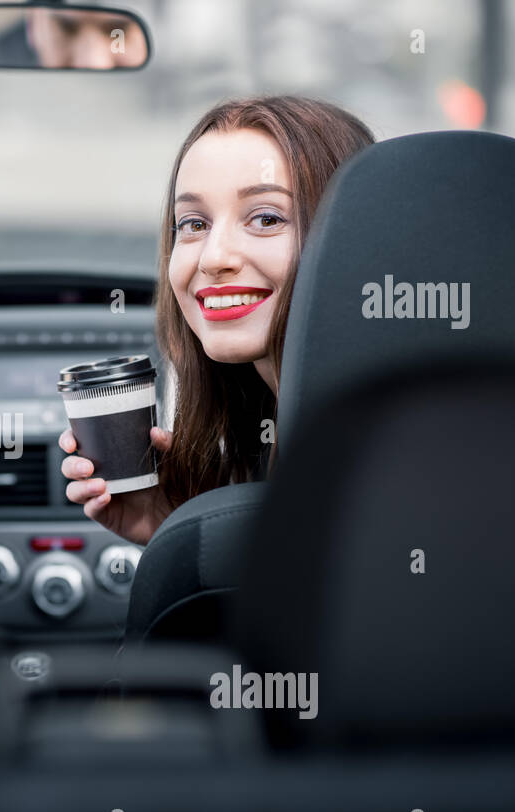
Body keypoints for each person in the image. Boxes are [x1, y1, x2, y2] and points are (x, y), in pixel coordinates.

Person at [60, 95, 374, 545]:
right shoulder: (271, 449)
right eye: (192, 224)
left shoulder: (390, 461)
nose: (214, 258)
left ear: (355, 236)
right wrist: (183, 531)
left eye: (266, 218)